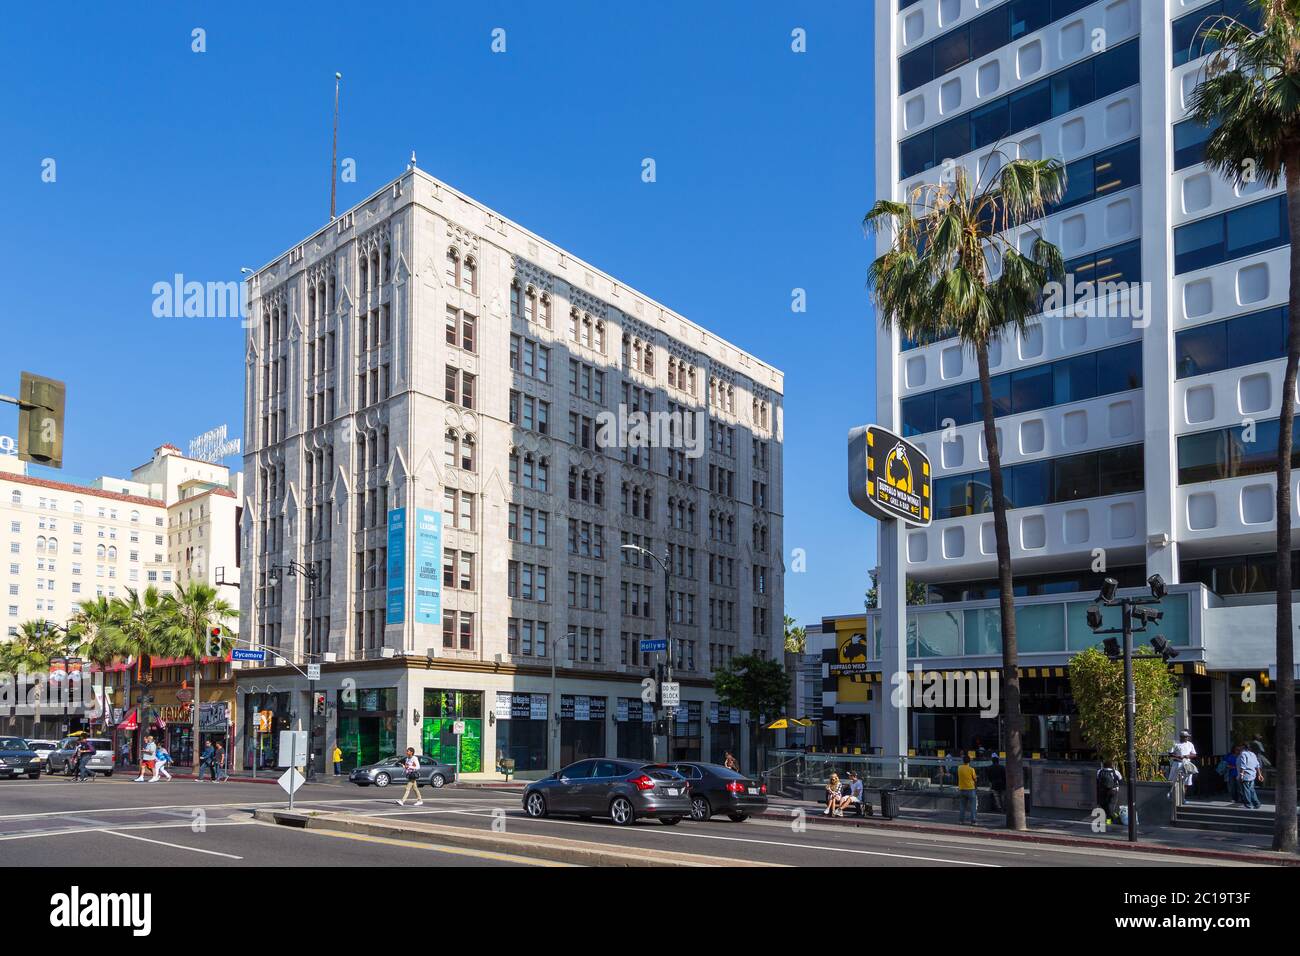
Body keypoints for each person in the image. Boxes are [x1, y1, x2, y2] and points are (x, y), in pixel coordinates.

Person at [1168, 730, 1198, 794]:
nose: (1187, 738)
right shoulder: (1175, 743)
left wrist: (1188, 756)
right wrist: (1178, 756)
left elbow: (1194, 754)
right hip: (1177, 763)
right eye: (1185, 737)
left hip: (1187, 764)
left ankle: (1183, 796)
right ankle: (1175, 795)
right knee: (1175, 780)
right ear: (1181, 737)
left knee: (1186, 781)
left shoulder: (1190, 744)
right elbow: (1170, 754)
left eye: (1187, 737)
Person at [1237, 744, 1263, 809]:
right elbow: (1257, 765)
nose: (1238, 748)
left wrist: (1241, 775)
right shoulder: (1252, 754)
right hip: (1252, 775)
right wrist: (1259, 774)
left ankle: (1248, 804)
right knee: (1251, 789)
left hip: (1245, 775)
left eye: (1240, 747)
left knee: (1246, 790)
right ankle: (1256, 803)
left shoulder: (1243, 754)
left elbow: (1243, 765)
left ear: (1243, 747)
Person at [956, 753, 978, 824]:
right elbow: (975, 779)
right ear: (969, 761)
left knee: (962, 806)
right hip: (971, 789)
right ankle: (973, 821)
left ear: (963, 761)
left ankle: (961, 820)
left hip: (962, 789)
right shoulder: (971, 769)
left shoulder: (959, 768)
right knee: (973, 806)